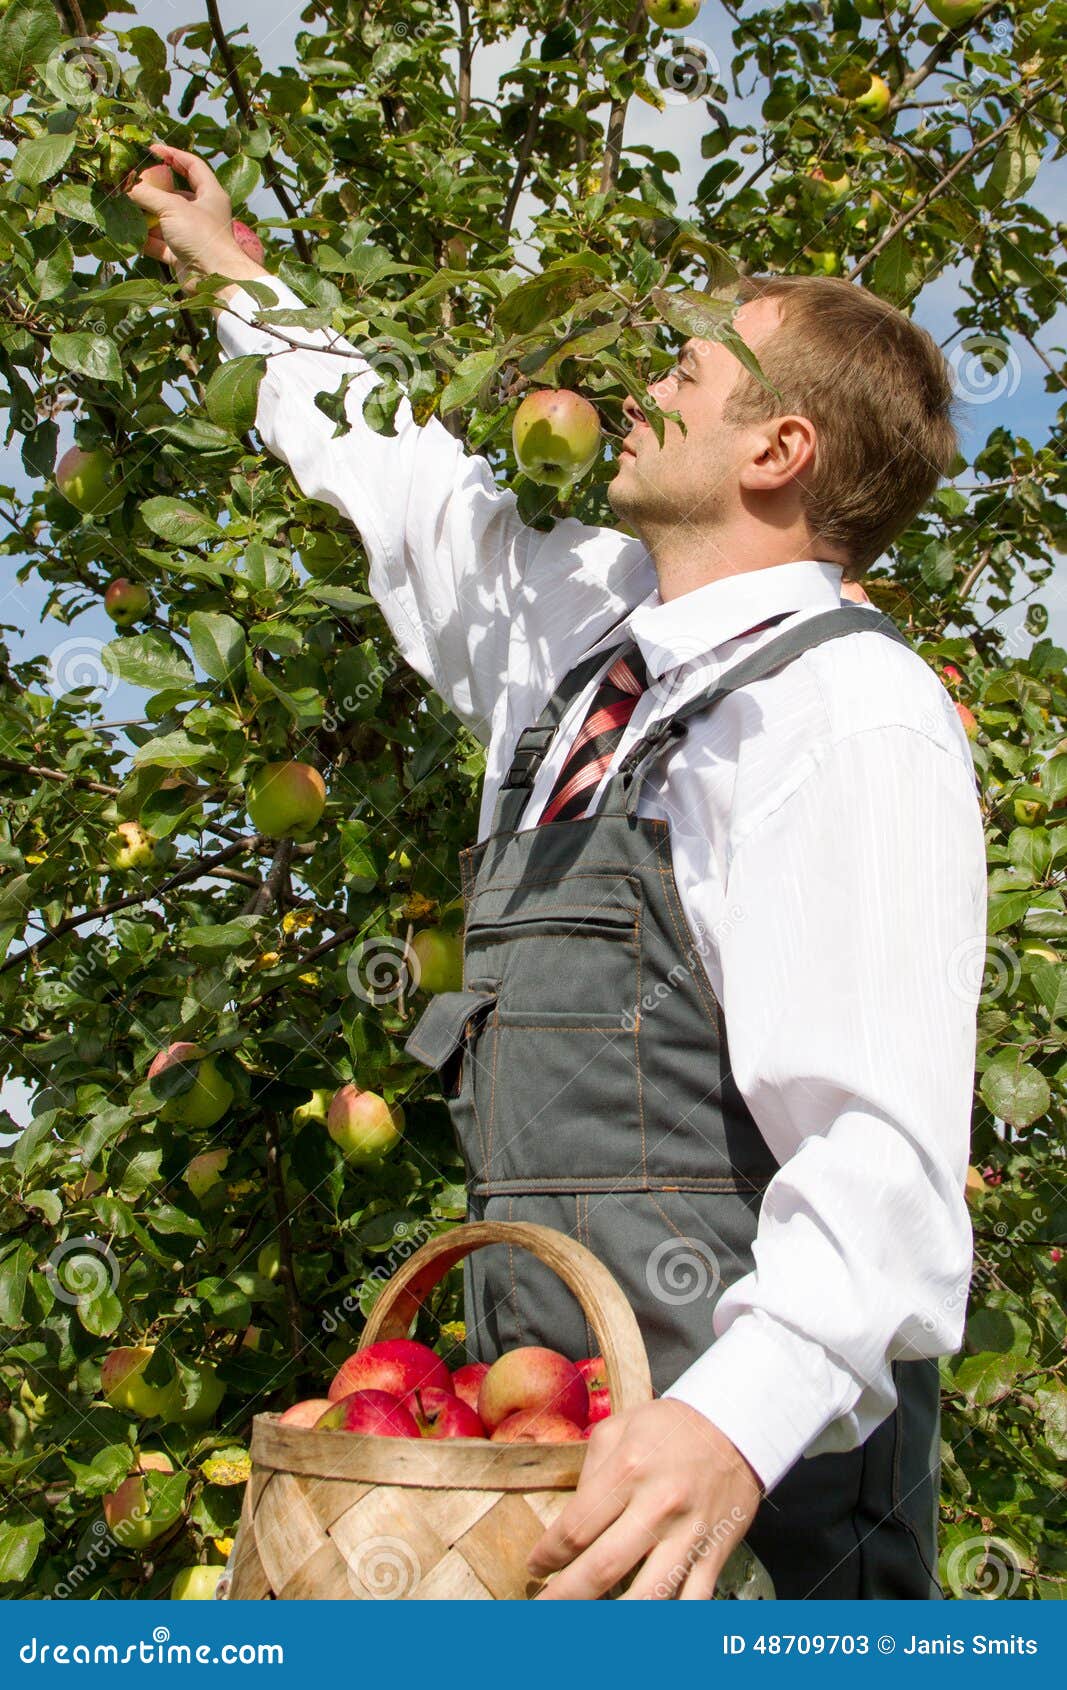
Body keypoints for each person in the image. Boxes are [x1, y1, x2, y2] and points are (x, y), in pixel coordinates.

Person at [126, 144, 987, 1601]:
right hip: (544, 1451)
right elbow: (404, 484)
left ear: (778, 452)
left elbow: (882, 1159)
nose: (642, 385)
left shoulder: (848, 711)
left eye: (693, 370)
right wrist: (233, 273)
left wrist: (733, 1418)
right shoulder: (592, 643)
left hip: (751, 1499)